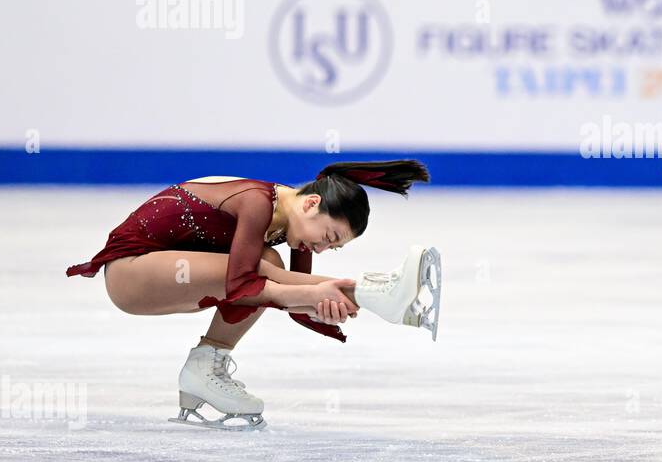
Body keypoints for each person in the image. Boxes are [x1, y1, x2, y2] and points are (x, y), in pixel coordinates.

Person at [66, 160, 441, 430]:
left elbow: (289, 293)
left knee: (268, 263)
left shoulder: (293, 224)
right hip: (132, 272)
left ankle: (205, 365)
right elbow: (246, 285)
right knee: (261, 268)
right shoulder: (258, 203)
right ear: (311, 204)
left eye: (333, 248)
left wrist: (324, 305)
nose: (322, 248)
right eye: (327, 237)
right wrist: (325, 295)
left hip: (167, 272)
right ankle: (379, 294)